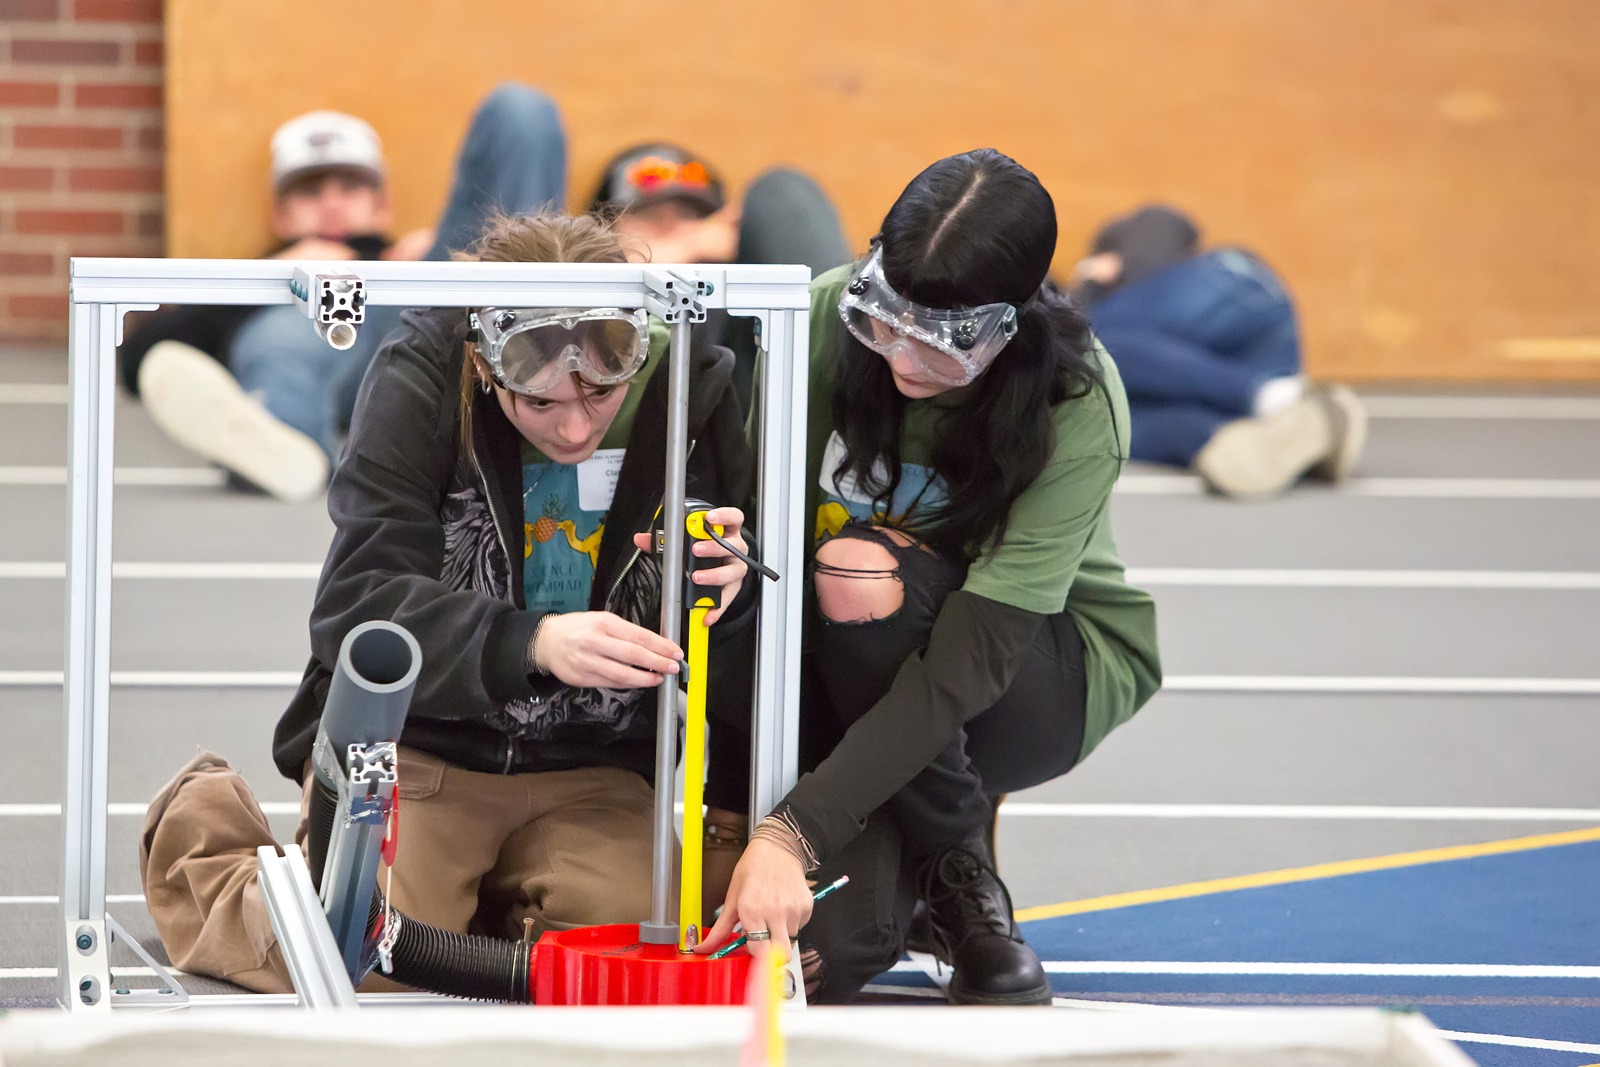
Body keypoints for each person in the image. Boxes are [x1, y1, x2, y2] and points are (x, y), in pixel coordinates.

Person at [139, 211, 759, 991]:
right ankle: (205, 830)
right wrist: (530, 642)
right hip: (423, 749)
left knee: (613, 968)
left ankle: (485, 919)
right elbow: (356, 606)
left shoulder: (693, 384)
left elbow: (750, 629)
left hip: (600, 769)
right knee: (358, 966)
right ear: (487, 366)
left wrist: (729, 595)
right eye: (540, 403)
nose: (573, 425)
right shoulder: (423, 369)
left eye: (602, 392)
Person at [695, 150, 1162, 1006]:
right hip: (838, 658)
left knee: (858, 567)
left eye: (945, 345)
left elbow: (969, 664)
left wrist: (793, 830)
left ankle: (960, 884)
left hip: (1026, 680)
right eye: (887, 320)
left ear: (1008, 326)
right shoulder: (824, 319)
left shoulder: (1076, 400)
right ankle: (924, 859)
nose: (904, 358)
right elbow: (760, 561)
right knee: (812, 967)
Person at [120, 109, 439, 501]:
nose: (331, 204)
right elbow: (140, 358)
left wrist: (452, 261)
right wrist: (277, 275)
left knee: (513, 116)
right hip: (311, 364)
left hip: (410, 355)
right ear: (280, 215)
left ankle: (280, 436)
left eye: (350, 187)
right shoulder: (265, 281)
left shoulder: (412, 258)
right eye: (310, 191)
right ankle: (285, 441)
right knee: (288, 332)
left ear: (381, 205)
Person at [1069, 204, 1367, 498]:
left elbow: (1168, 224)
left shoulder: (1129, 238)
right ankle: (1260, 430)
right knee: (1108, 423)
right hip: (1242, 363)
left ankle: (1274, 398)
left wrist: (1094, 281)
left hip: (1238, 294)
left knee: (1087, 342)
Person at [589, 142, 851, 407]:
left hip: (744, 410)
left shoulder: (736, 319)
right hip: (611, 402)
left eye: (688, 215)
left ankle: (844, 384)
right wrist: (680, 249)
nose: (673, 228)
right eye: (648, 214)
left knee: (782, 192)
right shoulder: (582, 299)